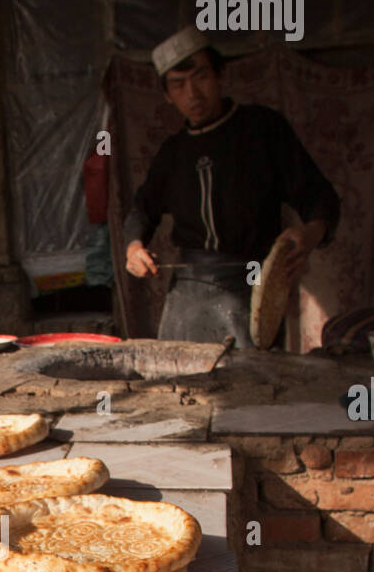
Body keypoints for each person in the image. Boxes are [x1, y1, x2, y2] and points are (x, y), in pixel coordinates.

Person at [123, 25, 341, 347]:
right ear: (168, 96)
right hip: (186, 295)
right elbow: (143, 208)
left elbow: (318, 194)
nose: (193, 94)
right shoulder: (173, 153)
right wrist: (134, 247)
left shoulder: (262, 130)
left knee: (251, 388)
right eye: (179, 86)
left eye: (201, 77)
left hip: (252, 286)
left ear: (220, 74)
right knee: (181, 389)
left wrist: (311, 232)